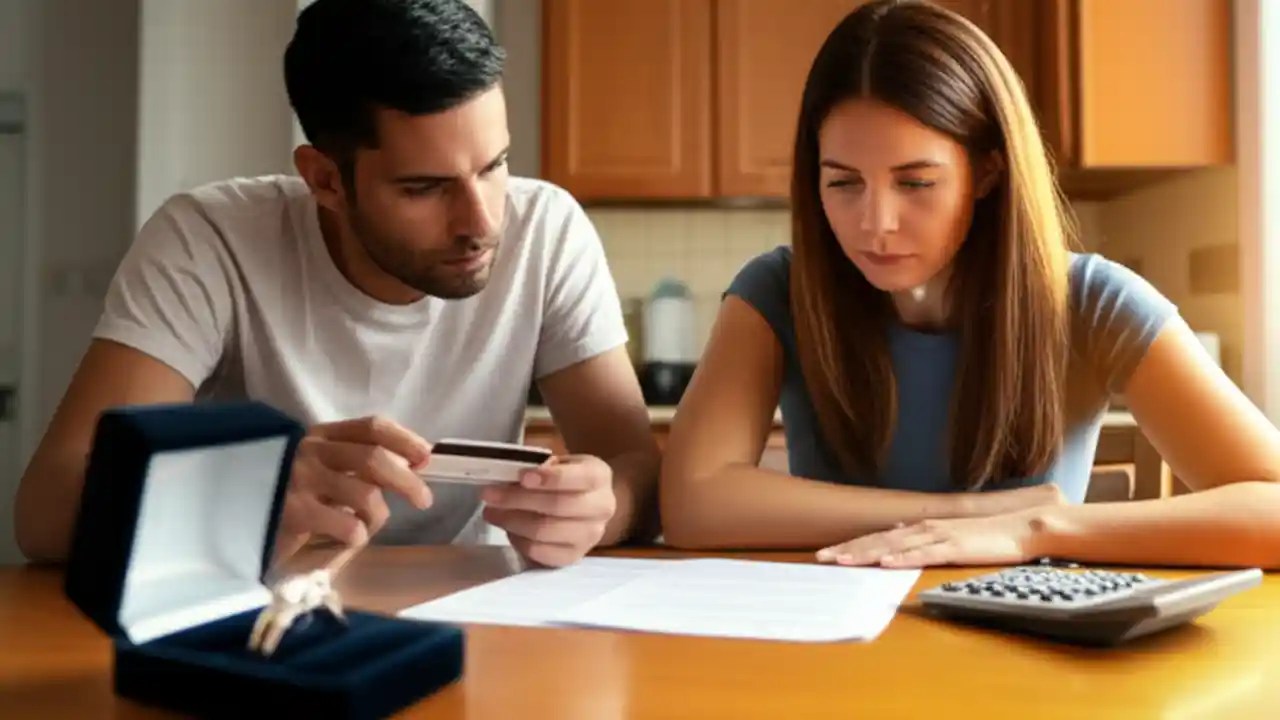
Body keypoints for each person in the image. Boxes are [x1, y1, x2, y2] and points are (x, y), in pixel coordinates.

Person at [14, 0, 660, 568]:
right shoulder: (210, 239)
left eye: (494, 166)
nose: (483, 223)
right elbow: (45, 511)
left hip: (476, 606)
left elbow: (638, 473)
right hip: (266, 609)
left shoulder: (547, 229)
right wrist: (246, 493)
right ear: (324, 180)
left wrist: (606, 506)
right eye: (424, 188)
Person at [660, 0, 1280, 569]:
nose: (876, 223)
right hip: (837, 640)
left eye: (916, 183)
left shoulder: (1093, 302)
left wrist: (1038, 529)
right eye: (843, 182)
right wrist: (964, 515)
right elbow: (691, 501)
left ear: (986, 172)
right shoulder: (776, 290)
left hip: (1024, 643)